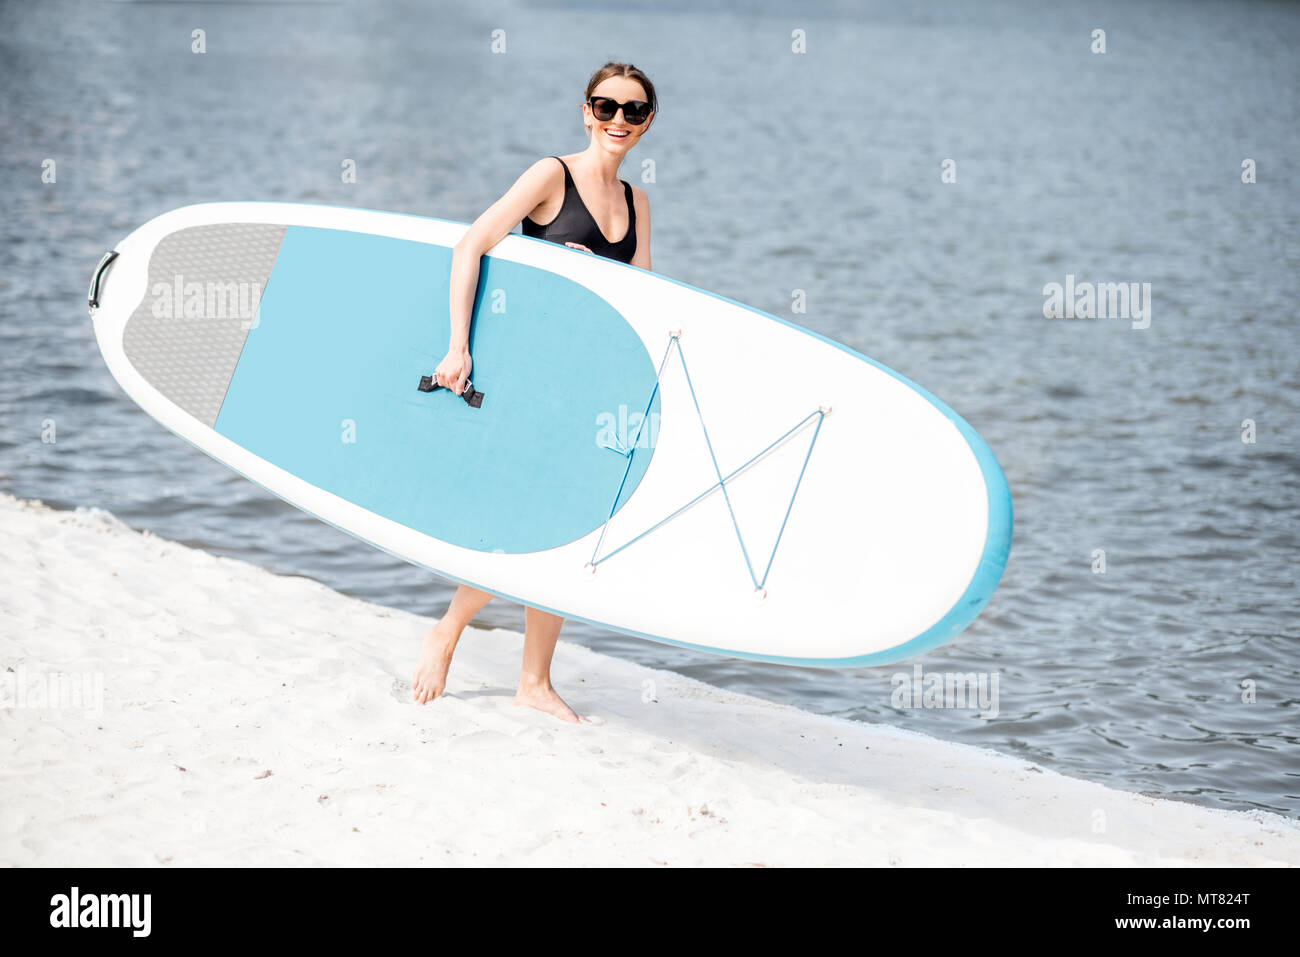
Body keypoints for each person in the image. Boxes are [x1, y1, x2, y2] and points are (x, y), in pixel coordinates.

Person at [412, 62, 657, 723]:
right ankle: (448, 629)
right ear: (585, 111)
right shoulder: (552, 175)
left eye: (633, 112)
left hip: (589, 389)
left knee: (568, 531)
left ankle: (534, 680)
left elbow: (640, 307)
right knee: (524, 523)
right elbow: (472, 245)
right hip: (531, 378)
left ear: (647, 123)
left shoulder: (637, 205)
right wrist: (457, 346)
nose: (617, 121)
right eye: (606, 107)